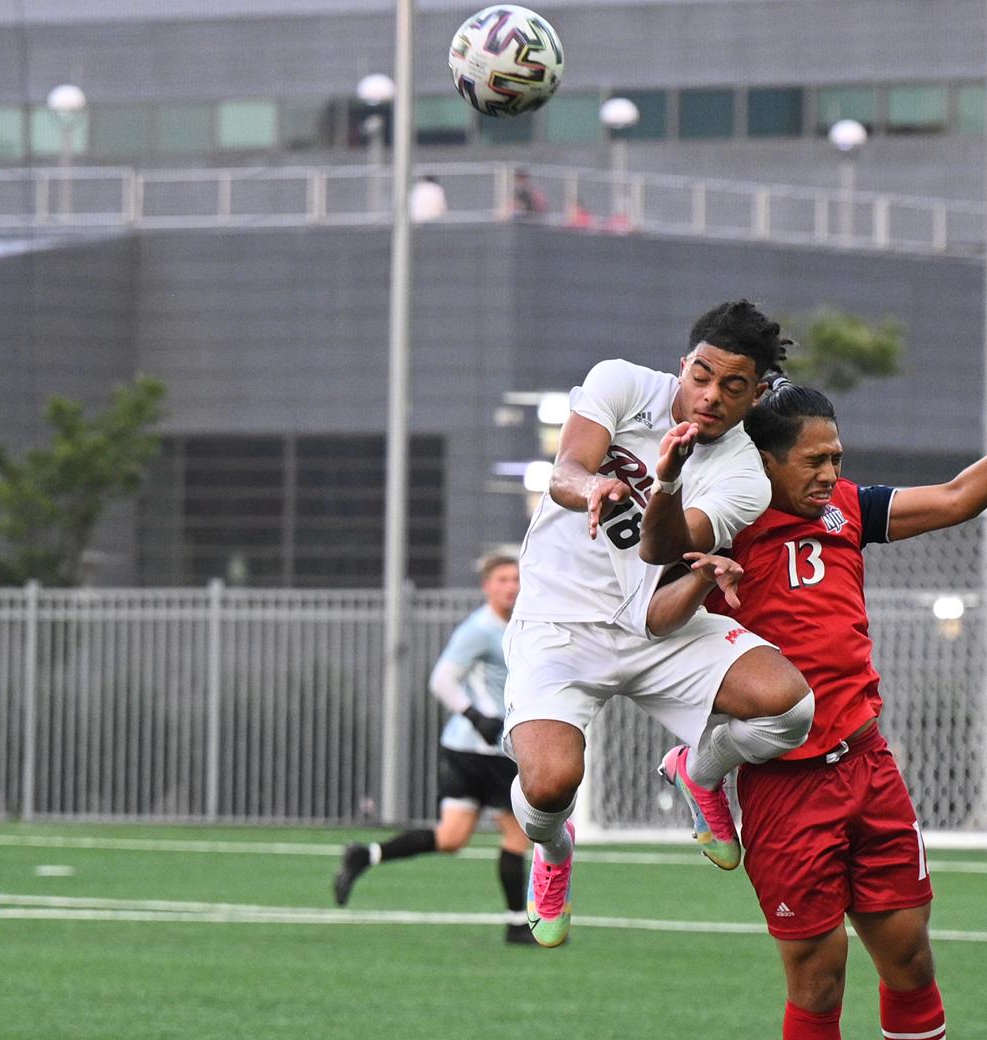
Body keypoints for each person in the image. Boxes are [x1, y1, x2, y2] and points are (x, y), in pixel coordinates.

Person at [658, 381, 987, 1040]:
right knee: (817, 981)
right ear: (764, 463)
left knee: (911, 957)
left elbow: (952, 498)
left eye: (837, 456)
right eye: (815, 460)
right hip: (783, 786)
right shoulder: (718, 526)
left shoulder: (847, 508)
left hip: (868, 766)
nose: (828, 473)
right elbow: (653, 606)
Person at [505, 298, 817, 947]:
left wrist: (669, 484)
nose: (710, 396)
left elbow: (659, 552)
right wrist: (591, 486)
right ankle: (555, 852)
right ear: (683, 365)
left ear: (755, 393)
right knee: (549, 782)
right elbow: (567, 467)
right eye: (701, 375)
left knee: (789, 707)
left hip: (656, 628)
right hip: (558, 623)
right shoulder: (619, 382)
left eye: (733, 387)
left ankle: (698, 769)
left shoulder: (741, 474)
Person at [331, 548, 531, 944]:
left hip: (464, 749)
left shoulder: (520, 625)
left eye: (516, 579)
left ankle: (365, 855)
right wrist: (477, 717)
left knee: (451, 838)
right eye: (502, 580)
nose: (511, 587)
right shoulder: (480, 629)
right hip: (485, 752)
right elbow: (441, 679)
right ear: (486, 587)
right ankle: (516, 924)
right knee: (517, 836)